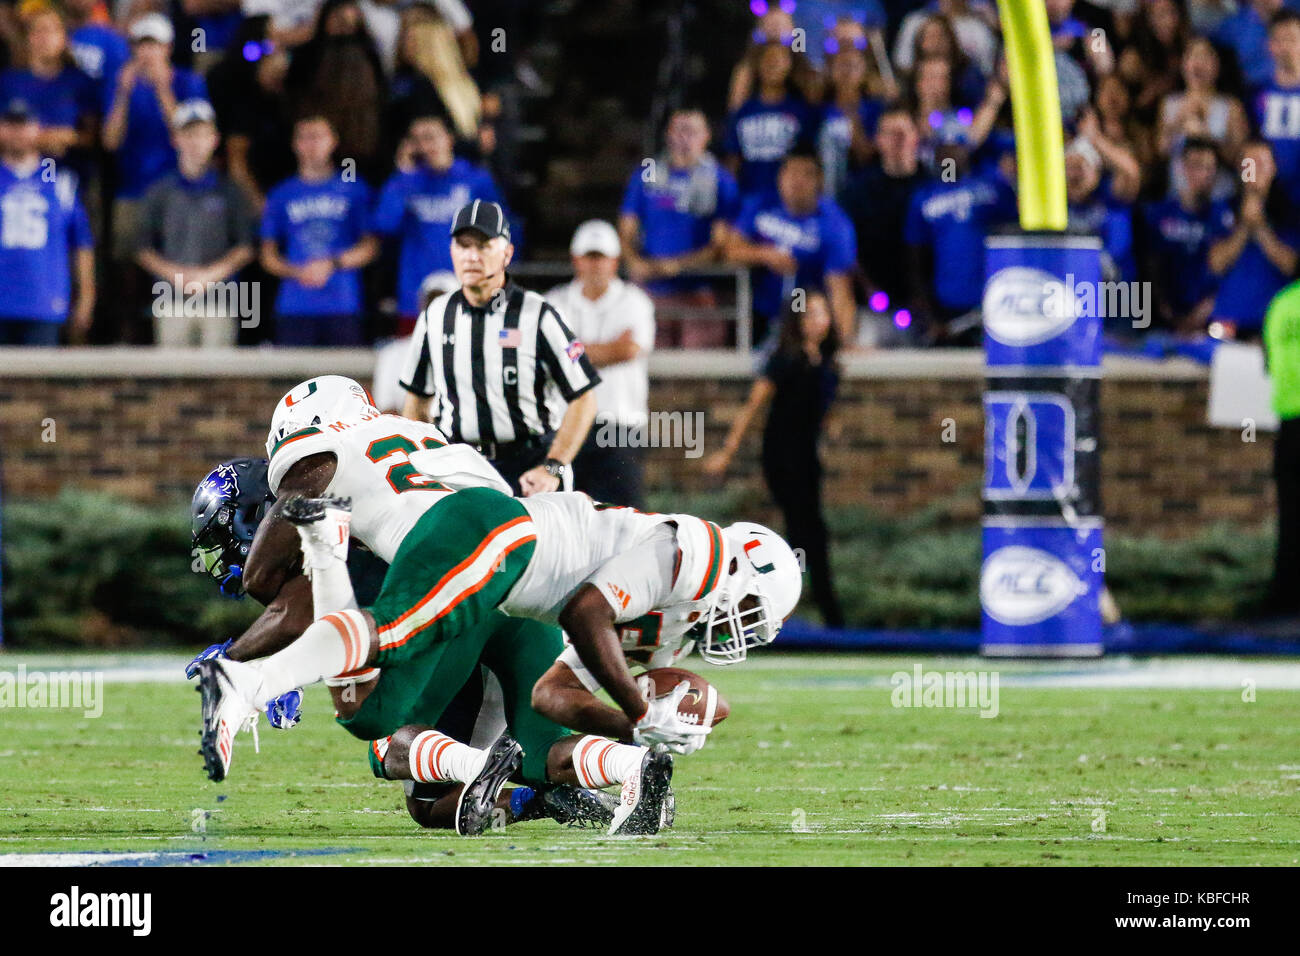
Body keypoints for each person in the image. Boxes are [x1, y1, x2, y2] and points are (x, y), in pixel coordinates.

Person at [198, 377, 801, 833]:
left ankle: (474, 765)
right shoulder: (425, 443)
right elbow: (560, 686)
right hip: (510, 585)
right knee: (447, 793)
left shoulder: (320, 462)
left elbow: (273, 587)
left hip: (479, 557)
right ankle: (620, 775)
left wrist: (241, 656)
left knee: (375, 719)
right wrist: (639, 727)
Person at [398, 200, 599, 495]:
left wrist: (553, 466)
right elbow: (416, 402)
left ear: (506, 253)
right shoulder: (435, 316)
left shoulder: (539, 315)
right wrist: (421, 459)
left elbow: (584, 398)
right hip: (460, 464)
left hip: (529, 466)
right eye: (463, 245)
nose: (472, 257)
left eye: (483, 246)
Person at [703, 290, 843, 629]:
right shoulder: (785, 359)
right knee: (803, 529)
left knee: (813, 530)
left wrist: (830, 428)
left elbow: (822, 409)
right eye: (809, 314)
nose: (817, 321)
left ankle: (820, 610)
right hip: (782, 454)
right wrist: (727, 452)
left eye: (822, 313)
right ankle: (809, 609)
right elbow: (753, 407)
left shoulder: (827, 362)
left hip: (807, 456)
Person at [546, 220, 655, 509]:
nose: (595, 265)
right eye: (589, 257)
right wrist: (608, 348)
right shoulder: (554, 302)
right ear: (576, 260)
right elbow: (548, 355)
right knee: (563, 515)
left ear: (615, 261)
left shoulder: (635, 301)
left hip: (619, 425)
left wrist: (572, 350)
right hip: (565, 425)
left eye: (601, 257)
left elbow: (629, 350)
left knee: (626, 516)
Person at [133, 99, 255, 347]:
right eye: (188, 134)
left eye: (202, 134)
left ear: (214, 139)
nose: (195, 142)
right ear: (175, 139)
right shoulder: (160, 192)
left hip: (219, 300)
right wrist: (177, 276)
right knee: (172, 378)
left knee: (217, 377)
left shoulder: (230, 191)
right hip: (172, 300)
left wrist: (209, 276)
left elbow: (246, 246)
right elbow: (142, 247)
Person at [618, 107, 740, 347]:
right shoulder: (648, 171)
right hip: (649, 290)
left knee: (699, 369)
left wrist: (679, 265)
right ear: (668, 134)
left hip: (697, 291)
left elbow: (722, 244)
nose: (685, 137)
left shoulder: (721, 179)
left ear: (706, 136)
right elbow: (626, 229)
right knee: (646, 361)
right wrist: (633, 261)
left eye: (693, 131)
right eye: (679, 130)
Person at [372, 113, 505, 331]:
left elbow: (499, 230)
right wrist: (404, 176)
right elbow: (385, 225)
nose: (425, 145)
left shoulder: (475, 179)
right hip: (415, 295)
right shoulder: (405, 181)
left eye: (431, 137)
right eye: (417, 140)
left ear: (449, 139)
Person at [259, 114, 378, 346]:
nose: (312, 144)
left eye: (318, 137)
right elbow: (267, 256)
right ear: (294, 144)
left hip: (343, 304)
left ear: (333, 141)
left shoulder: (354, 189)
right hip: (295, 306)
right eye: (304, 137)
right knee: (295, 380)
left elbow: (371, 246)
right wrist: (298, 272)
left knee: (344, 381)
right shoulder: (281, 194)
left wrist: (332, 264)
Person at [726, 149, 857, 347]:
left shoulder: (834, 224)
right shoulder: (761, 204)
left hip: (803, 308)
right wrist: (765, 255)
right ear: (780, 177)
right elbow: (729, 250)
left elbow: (840, 289)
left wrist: (844, 341)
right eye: (792, 173)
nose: (798, 181)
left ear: (819, 181)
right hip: (758, 309)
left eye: (807, 174)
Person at [904, 133, 1017, 344]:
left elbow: (1016, 234)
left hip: (993, 299)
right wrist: (927, 311)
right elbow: (916, 256)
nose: (950, 155)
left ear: (967, 151)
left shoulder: (993, 187)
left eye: (956, 148)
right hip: (946, 304)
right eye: (944, 149)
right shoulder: (924, 196)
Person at [0, 98, 95, 345]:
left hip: (43, 301)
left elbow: (81, 242)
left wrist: (86, 295)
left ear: (38, 129)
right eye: (10, 125)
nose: (17, 132)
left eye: (24, 125)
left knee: (38, 382)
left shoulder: (58, 179)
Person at [1208, 140, 1300, 338]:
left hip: (1274, 321)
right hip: (1228, 321)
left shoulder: (1289, 211)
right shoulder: (1222, 208)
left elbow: (1291, 266)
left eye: (1261, 163)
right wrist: (1243, 226)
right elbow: (1216, 264)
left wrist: (1260, 228)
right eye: (1248, 164)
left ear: (1273, 168)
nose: (1254, 170)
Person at [839, 107, 924, 321]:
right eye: (890, 134)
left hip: (926, 309)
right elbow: (844, 247)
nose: (898, 140)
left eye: (903, 133)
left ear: (916, 137)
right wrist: (868, 288)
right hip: (871, 305)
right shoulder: (857, 190)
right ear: (878, 140)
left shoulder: (933, 185)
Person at [1140, 138, 1232, 334]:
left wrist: (1203, 312)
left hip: (1210, 319)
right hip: (1161, 318)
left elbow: (1225, 272)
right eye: (1197, 166)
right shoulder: (1157, 214)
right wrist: (1164, 310)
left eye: (1210, 168)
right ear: (1181, 168)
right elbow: (1150, 266)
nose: (1204, 174)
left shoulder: (1223, 216)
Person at [721, 40, 817, 203]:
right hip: (749, 198)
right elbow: (732, 159)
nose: (773, 64)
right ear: (757, 66)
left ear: (789, 66)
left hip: (787, 202)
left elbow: (809, 160)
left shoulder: (801, 111)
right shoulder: (743, 111)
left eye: (779, 60)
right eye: (767, 59)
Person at [1261, 277, 1300, 616]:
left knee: (1290, 518)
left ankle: (1285, 597)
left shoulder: (1282, 303)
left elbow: (1271, 362)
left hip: (1289, 425)